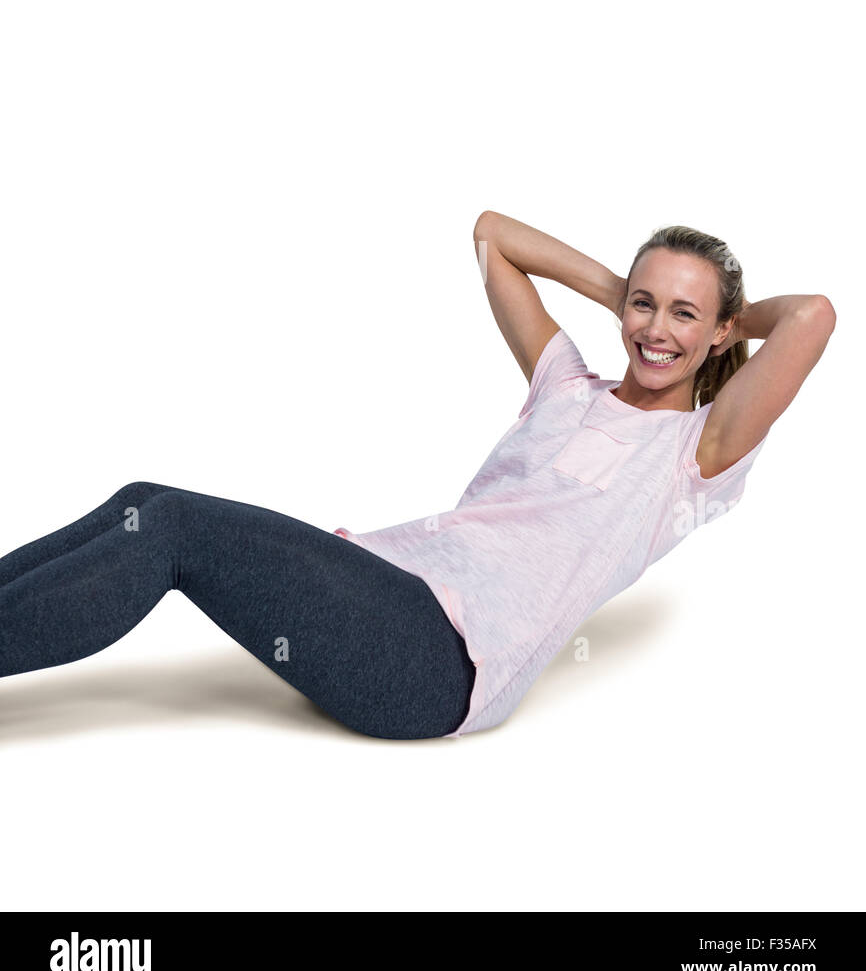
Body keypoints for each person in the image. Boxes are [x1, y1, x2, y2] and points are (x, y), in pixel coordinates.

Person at [0, 212, 836, 740]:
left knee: (173, 529)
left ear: (724, 332)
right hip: (383, 589)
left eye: (684, 314)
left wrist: (722, 315)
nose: (655, 329)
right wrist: (626, 289)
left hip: (436, 665)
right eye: (644, 305)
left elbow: (811, 316)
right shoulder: (564, 383)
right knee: (146, 502)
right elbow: (492, 235)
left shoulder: (695, 453)